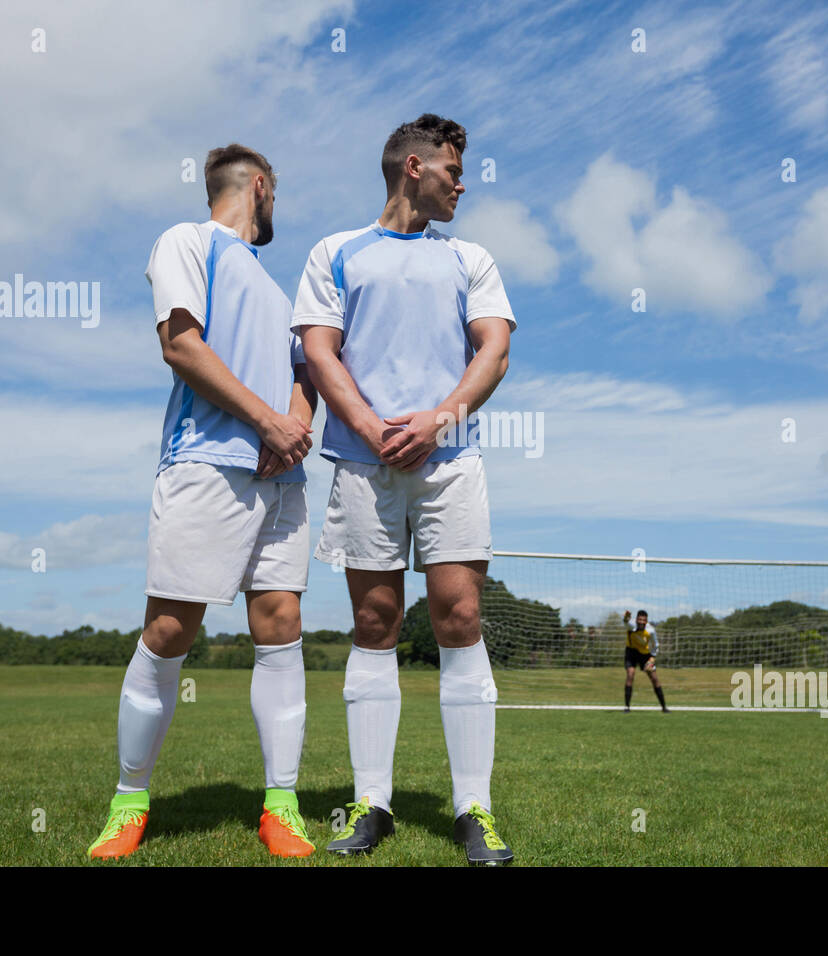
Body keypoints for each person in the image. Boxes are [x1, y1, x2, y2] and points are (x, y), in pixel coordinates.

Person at [293, 114, 515, 865]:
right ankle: (372, 803)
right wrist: (371, 425)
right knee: (376, 618)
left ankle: (473, 811)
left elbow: (495, 350)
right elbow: (319, 352)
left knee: (458, 614)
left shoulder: (472, 258)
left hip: (451, 461)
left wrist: (437, 422)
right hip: (362, 464)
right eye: (454, 169)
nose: (463, 182)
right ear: (413, 166)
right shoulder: (335, 252)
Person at [87, 144, 318, 860]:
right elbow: (181, 346)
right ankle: (130, 802)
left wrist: (296, 426)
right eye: (274, 192)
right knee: (169, 630)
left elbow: (305, 374)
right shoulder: (186, 242)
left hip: (281, 477)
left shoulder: (280, 292)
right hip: (205, 467)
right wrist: (266, 420)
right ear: (258, 186)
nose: (276, 204)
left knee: (281, 624)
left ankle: (281, 804)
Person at [623, 609, 669, 713]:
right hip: (631, 653)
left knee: (654, 678)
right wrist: (626, 617)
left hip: (645, 655)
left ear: (646, 621)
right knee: (630, 674)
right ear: (636, 619)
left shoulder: (651, 630)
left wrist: (652, 658)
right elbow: (625, 621)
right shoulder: (631, 626)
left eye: (643, 620)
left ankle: (664, 707)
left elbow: (656, 645)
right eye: (639, 619)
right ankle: (627, 707)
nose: (641, 622)